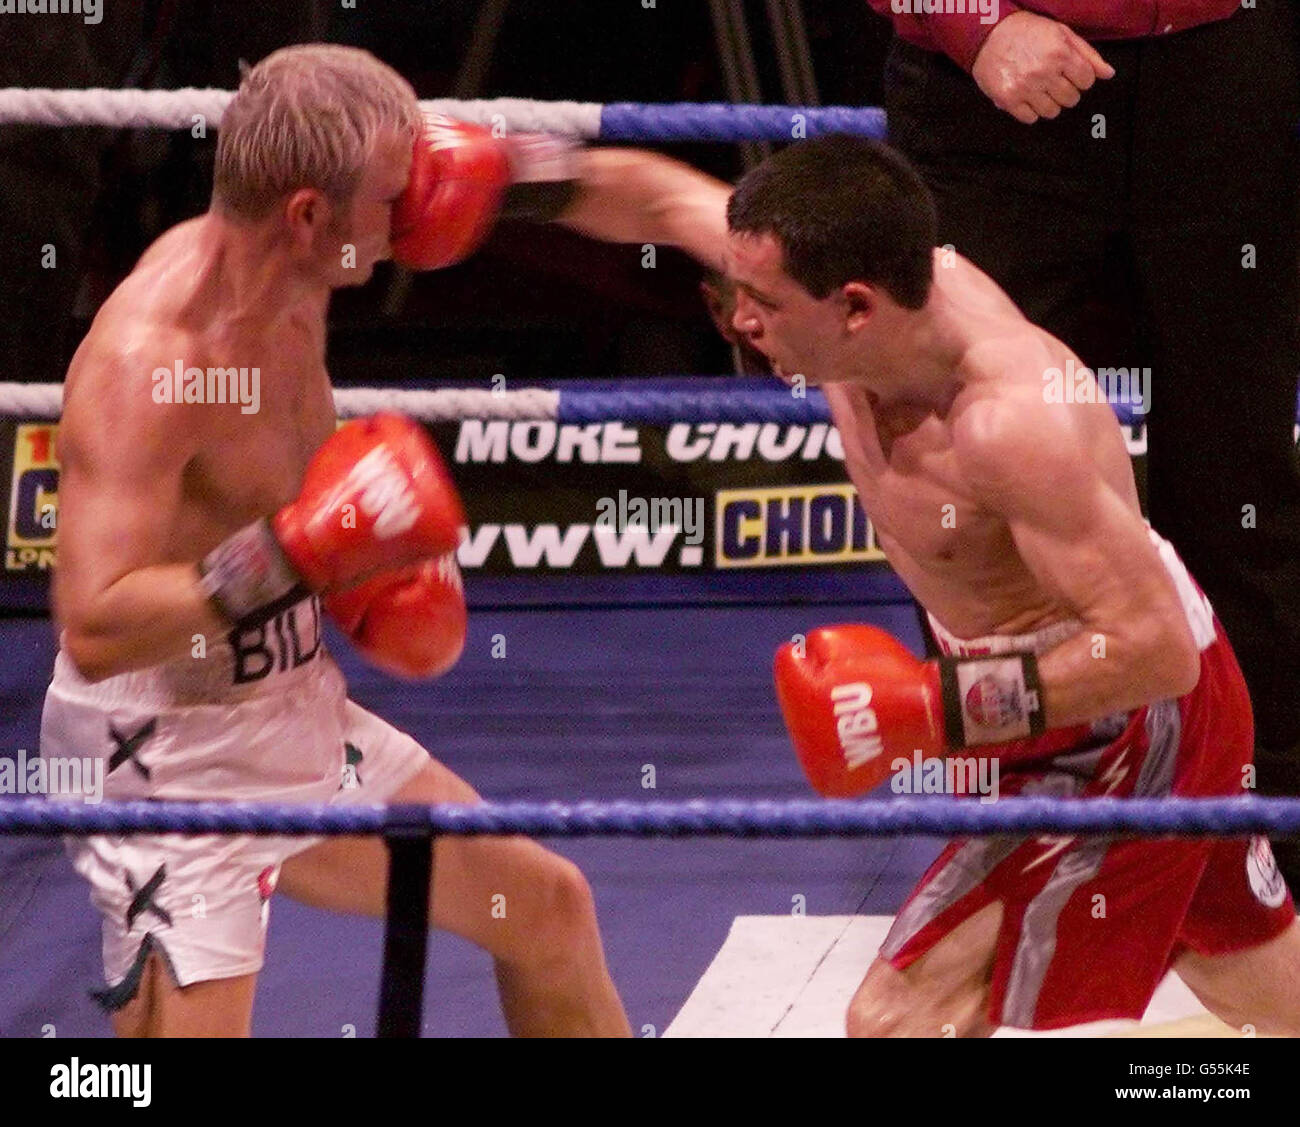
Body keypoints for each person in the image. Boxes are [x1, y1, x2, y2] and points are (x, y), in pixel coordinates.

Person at [562, 134, 1300, 1035]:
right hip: (1070, 701)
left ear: (857, 309)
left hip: (1124, 726)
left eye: (762, 303)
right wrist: (486, 178)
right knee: (1255, 982)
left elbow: (1154, 650)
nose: (740, 320)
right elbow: (649, 195)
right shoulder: (818, 273)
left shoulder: (1006, 423)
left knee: (896, 1018)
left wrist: (933, 706)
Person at [41, 43, 628, 1037]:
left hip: (292, 705)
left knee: (545, 906)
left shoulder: (302, 265)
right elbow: (95, 625)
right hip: (162, 753)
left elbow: (554, 179)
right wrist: (304, 551)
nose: (415, 217)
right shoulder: (154, 362)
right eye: (393, 200)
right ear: (308, 213)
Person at [865, 0, 1300, 888]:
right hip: (985, 97)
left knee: (1241, 473)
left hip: (1229, 65)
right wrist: (974, 24)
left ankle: (1258, 841)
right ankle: (1025, 823)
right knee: (965, 475)